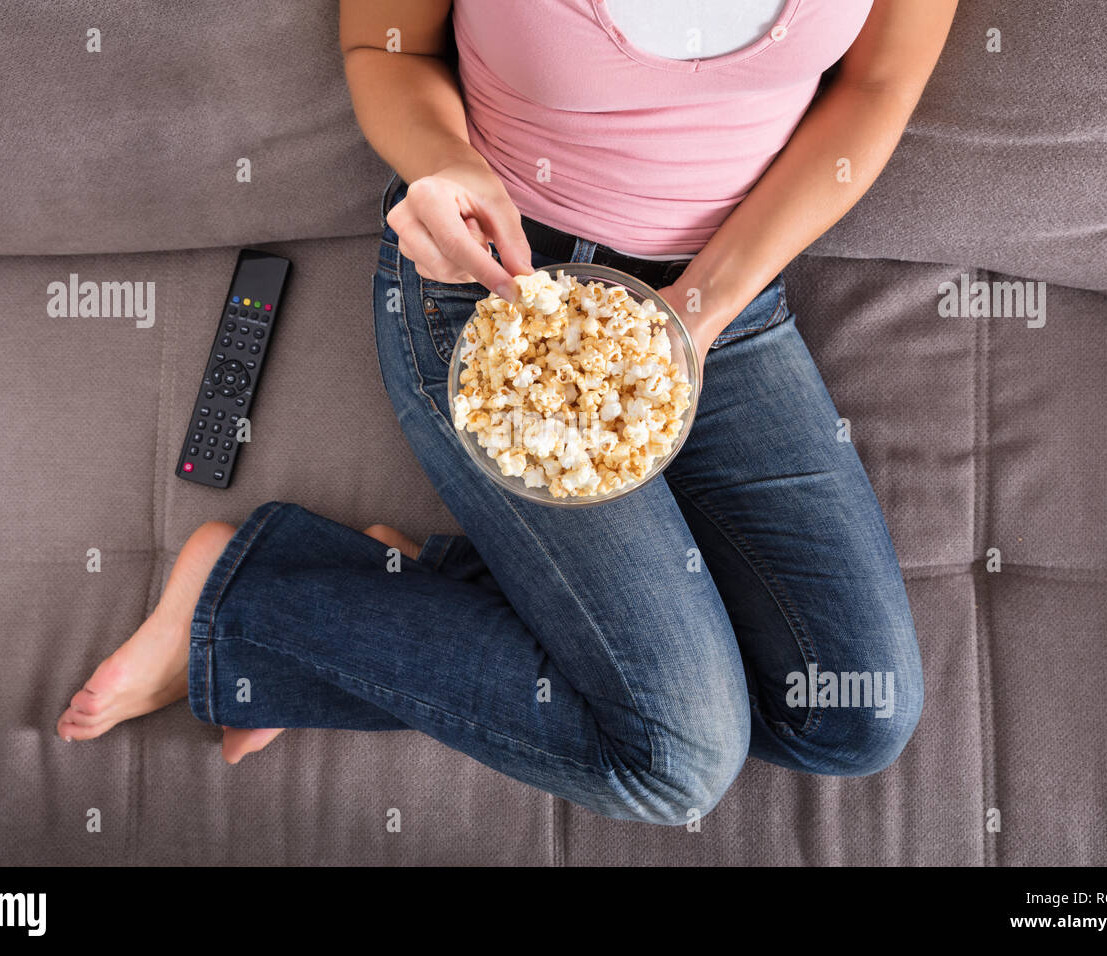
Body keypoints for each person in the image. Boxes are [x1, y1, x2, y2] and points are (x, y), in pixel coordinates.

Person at [58, 0, 957, 825]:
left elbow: (879, 85)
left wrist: (704, 307)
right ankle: (242, 602)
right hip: (497, 286)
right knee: (679, 762)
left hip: (728, 295)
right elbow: (384, 44)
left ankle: (357, 597)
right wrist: (444, 163)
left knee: (854, 715)